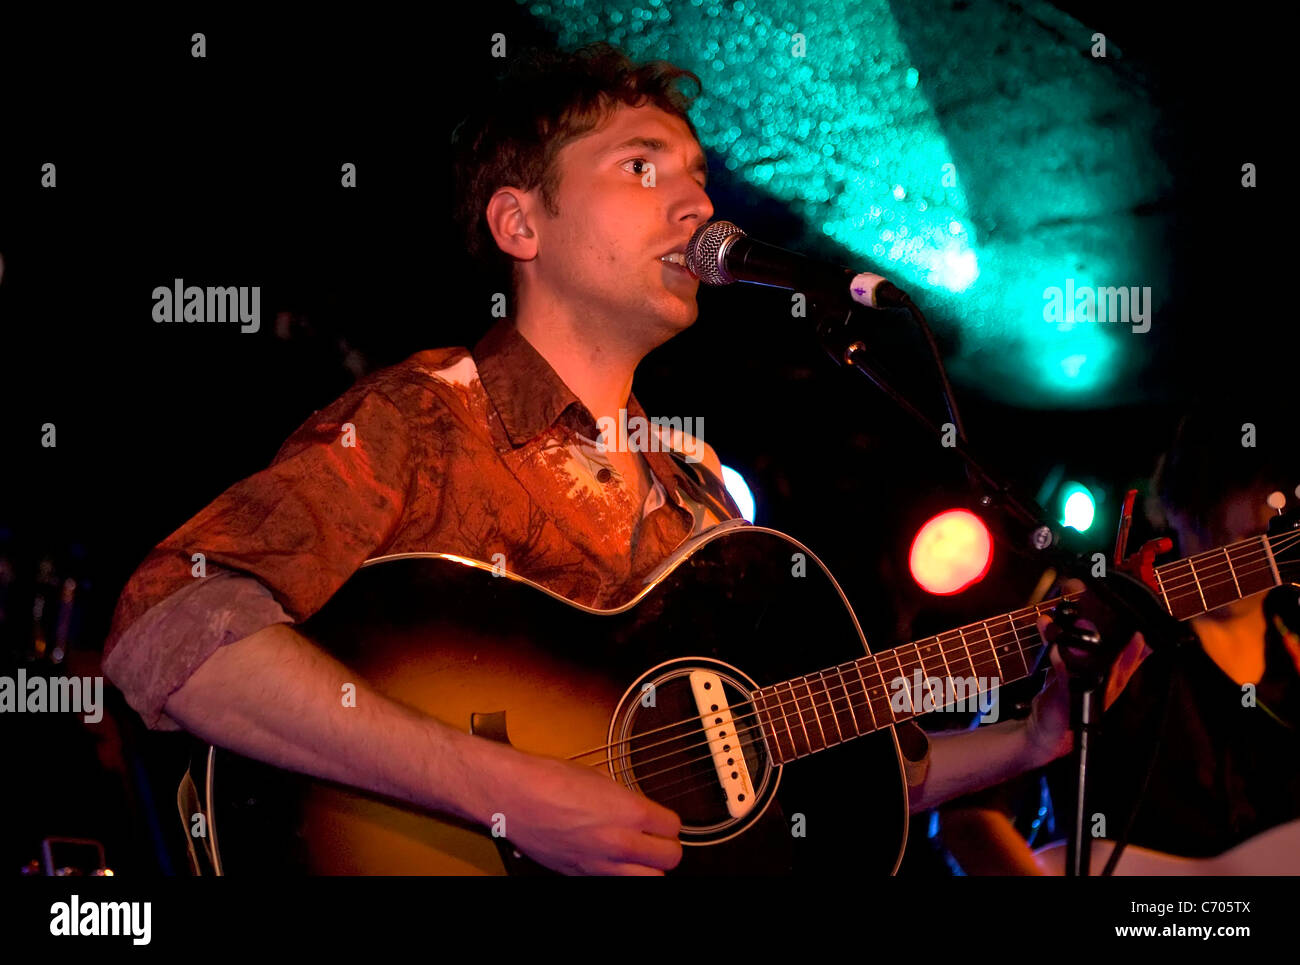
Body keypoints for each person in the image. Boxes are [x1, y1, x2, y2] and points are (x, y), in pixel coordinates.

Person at [104, 41, 1089, 875]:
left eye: (699, 175)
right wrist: (501, 793)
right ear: (520, 223)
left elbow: (828, 760)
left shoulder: (697, 500)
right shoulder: (427, 417)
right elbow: (168, 632)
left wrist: (1034, 739)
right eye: (641, 166)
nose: (696, 202)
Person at [940, 411, 1300, 872]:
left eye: (1265, 532)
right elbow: (970, 817)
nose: (1252, 533)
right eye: (1208, 508)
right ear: (1178, 508)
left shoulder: (1294, 662)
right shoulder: (1101, 625)